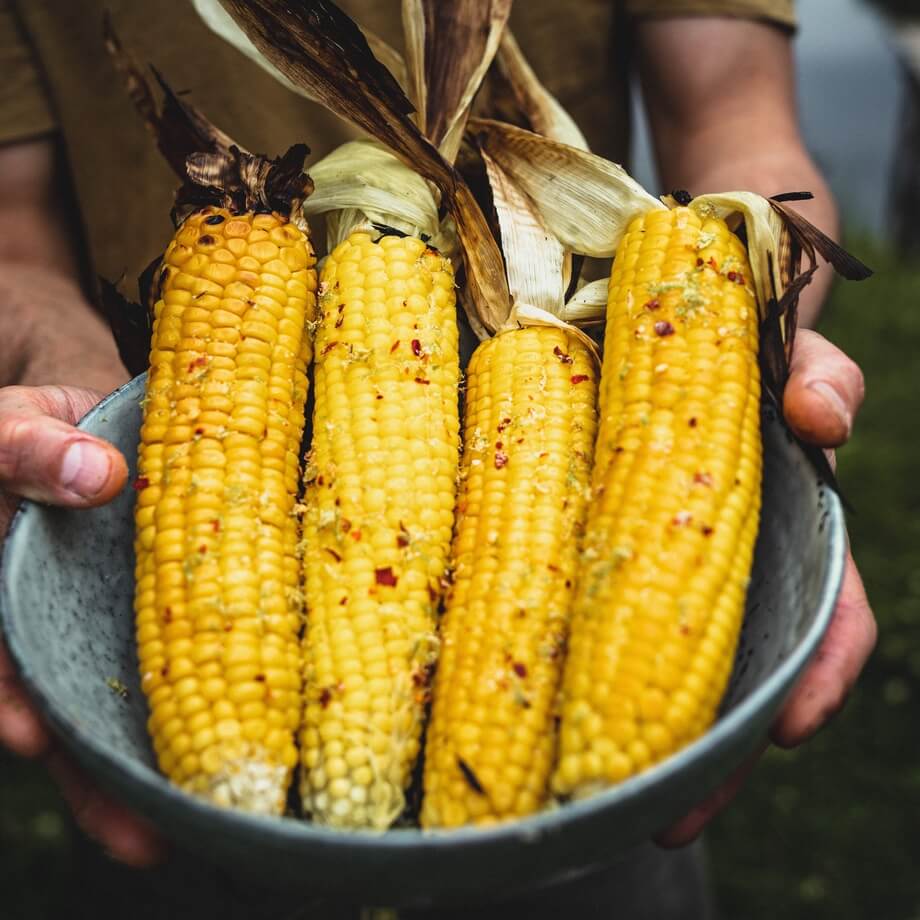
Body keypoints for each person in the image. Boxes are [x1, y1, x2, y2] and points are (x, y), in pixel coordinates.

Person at [0, 0, 876, 917]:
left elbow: (732, 114)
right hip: (166, 822)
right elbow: (17, 232)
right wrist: (78, 406)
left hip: (600, 846)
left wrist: (744, 346)